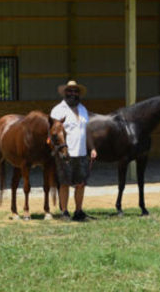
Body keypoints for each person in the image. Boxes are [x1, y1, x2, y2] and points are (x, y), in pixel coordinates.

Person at [51, 80, 93, 221]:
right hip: (65, 154)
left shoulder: (83, 110)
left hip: (81, 153)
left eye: (75, 91)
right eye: (70, 91)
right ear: (65, 93)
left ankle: (78, 211)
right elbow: (53, 133)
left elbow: (86, 132)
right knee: (64, 183)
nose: (73, 94)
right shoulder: (57, 110)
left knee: (81, 184)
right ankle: (64, 212)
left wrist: (92, 148)